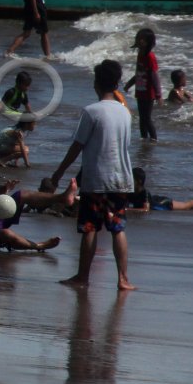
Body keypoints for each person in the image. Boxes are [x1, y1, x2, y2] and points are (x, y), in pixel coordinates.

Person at [49, 59, 136, 290]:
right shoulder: (126, 113)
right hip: (122, 179)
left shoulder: (91, 111)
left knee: (89, 228)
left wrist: (59, 173)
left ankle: (82, 277)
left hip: (97, 179)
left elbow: (77, 146)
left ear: (96, 83)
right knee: (118, 228)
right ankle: (123, 279)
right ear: (117, 83)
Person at [123, 27, 160, 141]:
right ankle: (143, 139)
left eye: (141, 39)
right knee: (141, 117)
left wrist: (158, 94)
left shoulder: (150, 57)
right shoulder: (140, 54)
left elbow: (154, 76)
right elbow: (139, 73)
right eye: (138, 38)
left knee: (146, 117)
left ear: (149, 42)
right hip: (140, 90)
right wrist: (129, 84)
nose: (139, 41)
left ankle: (154, 139)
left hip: (149, 92)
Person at [128, 167, 193, 212]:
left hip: (162, 203)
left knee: (186, 206)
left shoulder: (144, 192)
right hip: (154, 198)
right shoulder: (131, 192)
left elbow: (145, 209)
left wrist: (127, 210)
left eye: (131, 178)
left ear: (139, 181)